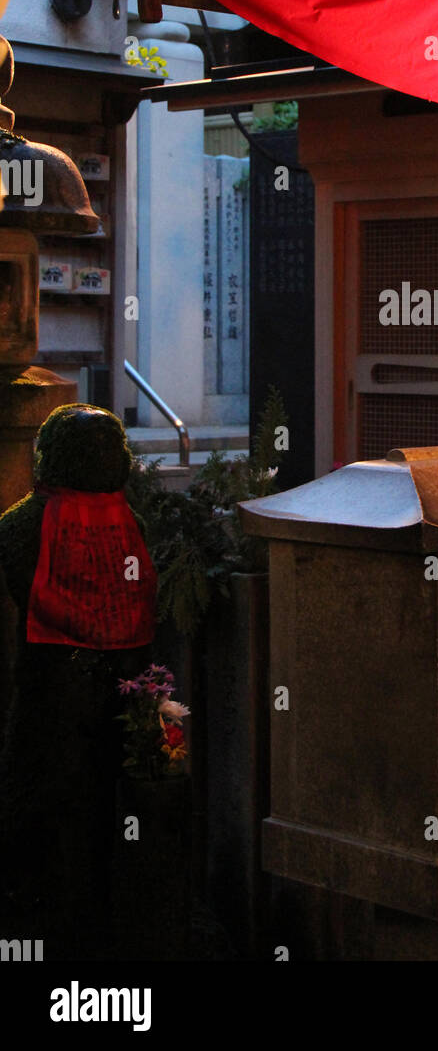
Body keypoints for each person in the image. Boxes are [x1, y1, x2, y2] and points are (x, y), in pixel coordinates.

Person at [0, 404, 157, 959]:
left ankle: (38, 925)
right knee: (107, 813)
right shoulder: (136, 521)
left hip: (49, 687)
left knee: (41, 805)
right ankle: (104, 927)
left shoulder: (22, 523)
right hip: (125, 689)